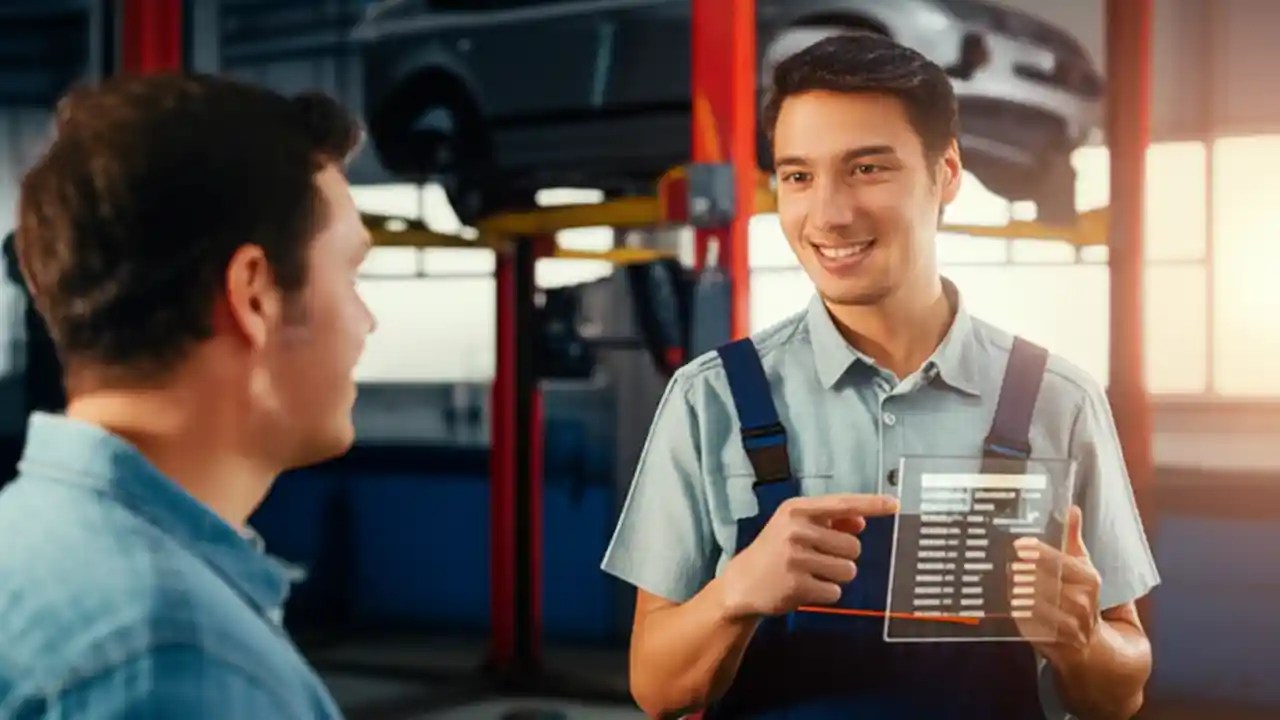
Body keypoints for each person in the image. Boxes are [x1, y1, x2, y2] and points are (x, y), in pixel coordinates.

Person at [601, 33, 1159, 720]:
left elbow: (1123, 687)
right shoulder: (708, 399)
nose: (829, 214)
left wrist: (1082, 642)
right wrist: (736, 592)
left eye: (867, 169)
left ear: (946, 172)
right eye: (798, 176)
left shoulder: (1057, 400)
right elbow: (655, 689)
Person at [0, 73, 375, 717]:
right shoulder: (178, 664)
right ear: (254, 295)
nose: (367, 321)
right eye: (350, 272)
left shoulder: (27, 542)